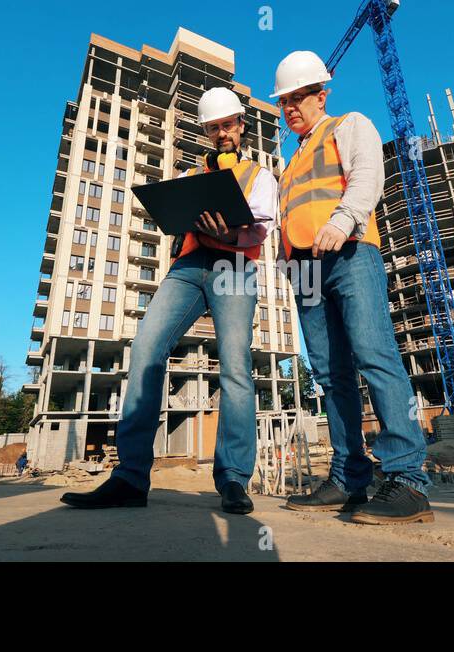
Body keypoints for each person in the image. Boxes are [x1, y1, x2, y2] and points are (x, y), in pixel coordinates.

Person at [60, 87, 277, 515]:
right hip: (188, 265)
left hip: (234, 266)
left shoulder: (260, 175)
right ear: (206, 132)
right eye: (213, 127)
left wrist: (229, 233)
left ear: (241, 126)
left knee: (235, 365)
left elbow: (260, 230)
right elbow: (171, 215)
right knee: (145, 348)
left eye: (227, 125)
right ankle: (129, 476)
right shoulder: (189, 173)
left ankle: (233, 479)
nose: (221, 133)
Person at [272, 51, 433, 524]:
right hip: (304, 269)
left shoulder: (349, 124)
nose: (290, 107)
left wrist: (343, 220)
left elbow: (368, 176)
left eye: (298, 97)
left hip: (350, 253)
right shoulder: (290, 160)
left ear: (322, 94)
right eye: (285, 101)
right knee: (329, 373)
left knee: (373, 355)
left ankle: (408, 481)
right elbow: (289, 215)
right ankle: (348, 477)